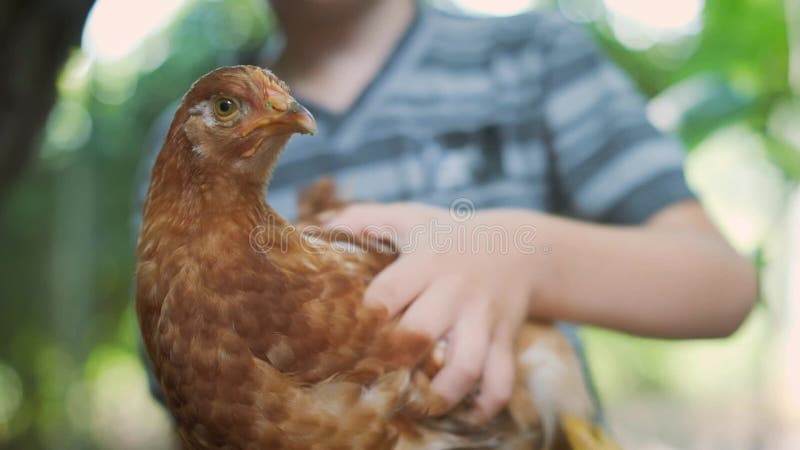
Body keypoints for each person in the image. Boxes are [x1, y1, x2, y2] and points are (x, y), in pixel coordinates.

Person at [136, 0, 758, 424]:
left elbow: (723, 284)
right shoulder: (185, 151)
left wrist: (518, 254)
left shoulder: (528, 58)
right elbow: (193, 409)